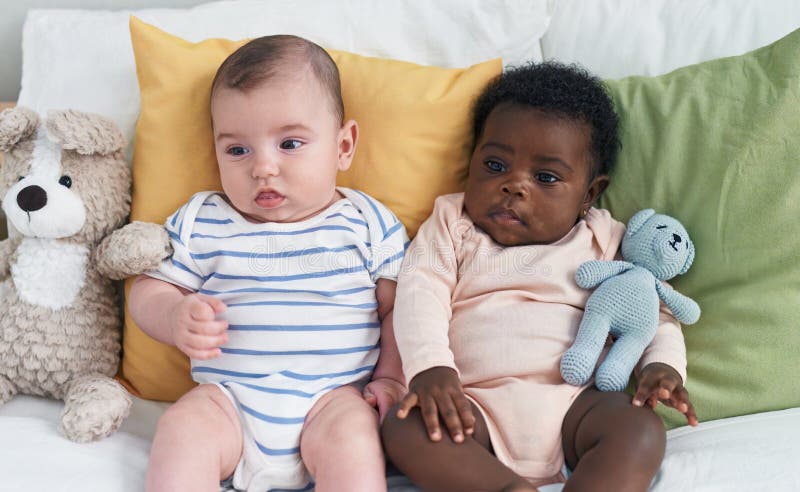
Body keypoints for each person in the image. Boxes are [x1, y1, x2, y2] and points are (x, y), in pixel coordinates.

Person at [381, 61, 698, 492]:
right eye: (495, 166)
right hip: (471, 405)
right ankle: (505, 487)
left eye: (545, 177)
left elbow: (652, 308)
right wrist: (431, 369)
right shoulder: (453, 223)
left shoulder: (602, 238)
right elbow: (421, 291)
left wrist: (662, 366)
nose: (515, 186)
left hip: (576, 406)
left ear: (588, 194)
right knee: (405, 426)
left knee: (640, 428)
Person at [128, 35, 408, 492]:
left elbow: (398, 308)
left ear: (343, 145)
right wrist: (173, 314)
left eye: (291, 143)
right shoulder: (205, 219)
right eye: (237, 150)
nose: (263, 168)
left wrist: (391, 377)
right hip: (228, 404)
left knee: (354, 445)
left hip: (333, 400)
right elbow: (148, 288)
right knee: (181, 431)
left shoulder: (366, 222)